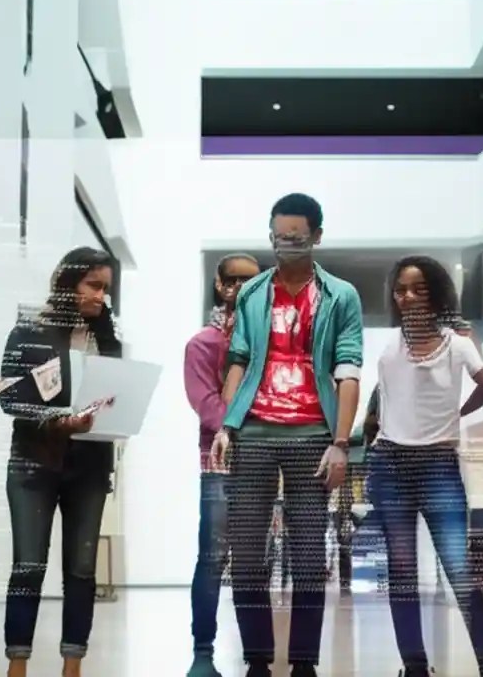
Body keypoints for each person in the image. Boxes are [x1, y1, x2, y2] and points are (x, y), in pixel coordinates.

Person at [210, 193, 364, 677]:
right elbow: (238, 358)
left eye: (296, 238)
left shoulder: (341, 295)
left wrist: (340, 442)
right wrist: (226, 424)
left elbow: (348, 369)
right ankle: (257, 660)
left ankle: (303, 663)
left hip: (313, 435)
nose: (287, 245)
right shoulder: (253, 292)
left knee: (308, 556)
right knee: (248, 553)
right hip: (252, 433)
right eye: (278, 237)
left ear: (317, 236)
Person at [370, 256, 483, 677]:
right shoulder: (391, 347)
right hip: (390, 463)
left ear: (436, 293)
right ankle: (414, 664)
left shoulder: (459, 342)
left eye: (419, 288)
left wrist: (459, 415)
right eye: (401, 290)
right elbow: (391, 403)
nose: (408, 296)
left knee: (458, 564)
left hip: (438, 464)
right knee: (401, 567)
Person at [0, 247, 123, 677]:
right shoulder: (28, 331)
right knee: (28, 566)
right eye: (93, 285)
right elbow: (10, 398)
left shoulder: (108, 338)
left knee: (82, 569)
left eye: (105, 288)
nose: (100, 296)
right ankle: (18, 663)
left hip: (89, 466)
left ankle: (73, 664)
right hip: (33, 464)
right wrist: (57, 419)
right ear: (68, 282)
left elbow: (118, 397)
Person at [184, 253, 261, 677]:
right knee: (212, 559)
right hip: (219, 464)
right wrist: (242, 428)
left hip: (263, 465)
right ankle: (202, 653)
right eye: (231, 280)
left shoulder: (268, 344)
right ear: (219, 284)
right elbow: (206, 405)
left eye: (248, 282)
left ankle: (257, 659)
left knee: (253, 562)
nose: (238, 288)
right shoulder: (203, 344)